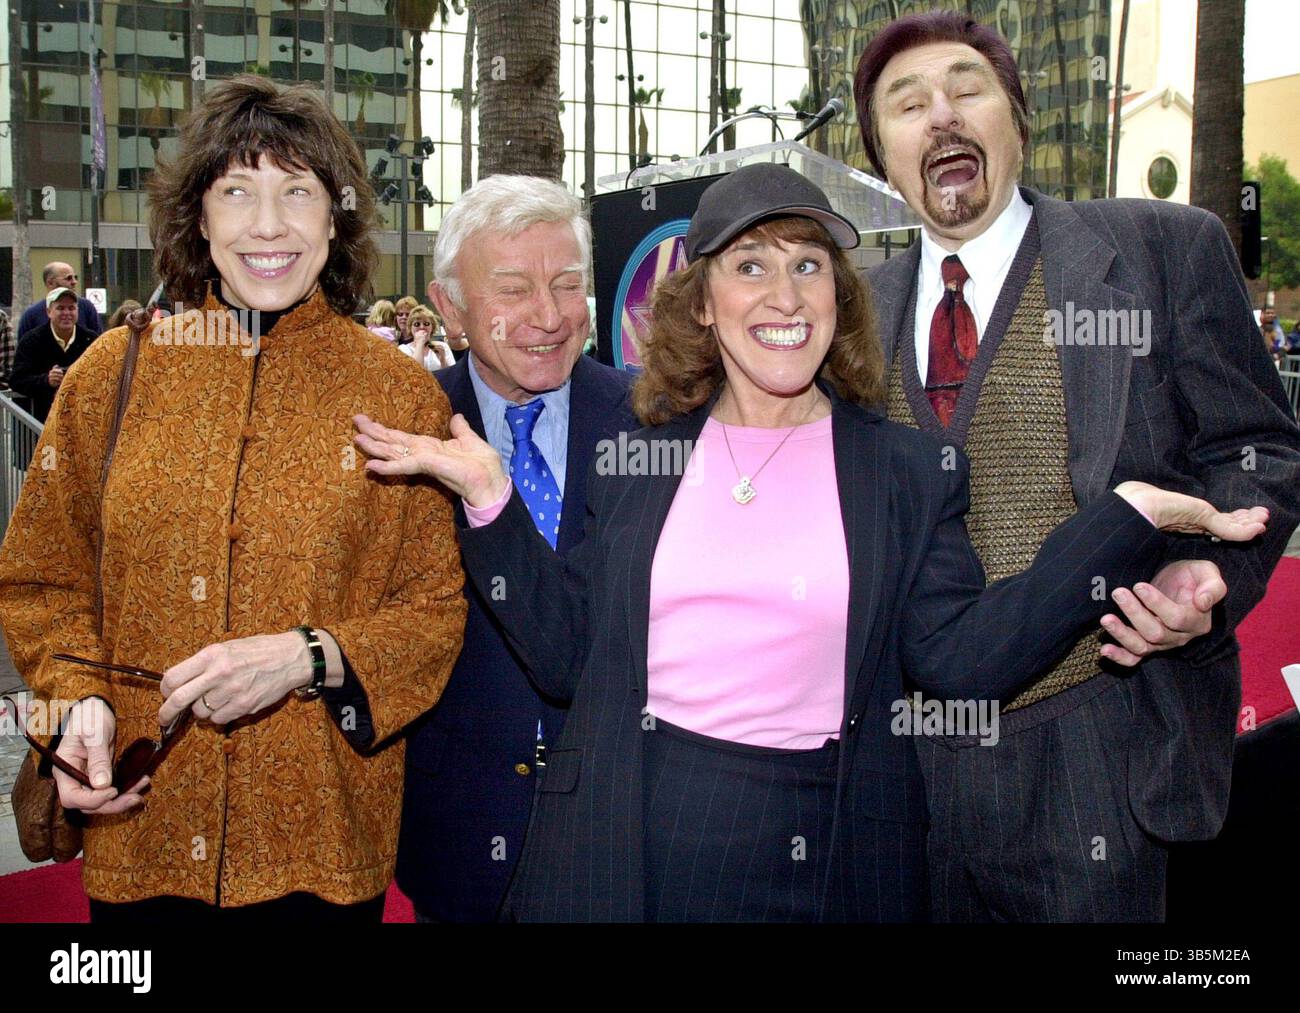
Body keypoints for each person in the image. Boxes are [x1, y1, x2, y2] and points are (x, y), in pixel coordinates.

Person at [356, 163, 1266, 922]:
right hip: (633, 849)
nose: (782, 295)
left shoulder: (908, 470)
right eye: (748, 266)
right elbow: (568, 657)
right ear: (703, 302)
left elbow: (961, 662)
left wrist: (1130, 514)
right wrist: (488, 497)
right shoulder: (639, 457)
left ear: (840, 293)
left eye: (807, 265)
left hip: (831, 860)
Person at [855, 11, 1300, 921]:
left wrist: (1204, 575)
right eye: (908, 104)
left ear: (1017, 121)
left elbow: (1258, 449)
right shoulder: (852, 308)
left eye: (967, 89)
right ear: (882, 156)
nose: (941, 115)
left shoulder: (1159, 252)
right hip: (905, 778)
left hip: (1105, 747)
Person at [0, 75, 466, 923]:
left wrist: (307, 656)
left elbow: (434, 609)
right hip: (140, 838)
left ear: (337, 214)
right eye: (236, 191)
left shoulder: (401, 395)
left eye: (298, 191)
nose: (267, 225)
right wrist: (78, 703)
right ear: (200, 217)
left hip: (323, 852)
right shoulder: (113, 375)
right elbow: (41, 581)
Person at [391, 173, 635, 923]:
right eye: (513, 289)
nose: (549, 316)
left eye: (567, 284)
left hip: (623, 839)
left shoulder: (657, 421)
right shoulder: (406, 430)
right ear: (451, 309)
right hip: (457, 838)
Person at [8, 288, 97, 422]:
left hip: (80, 421)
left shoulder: (91, 340)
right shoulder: (31, 340)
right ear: (49, 312)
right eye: (60, 308)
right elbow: (17, 380)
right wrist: (46, 380)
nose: (66, 313)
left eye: (71, 308)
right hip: (40, 423)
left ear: (77, 311)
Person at [16, 261, 102, 340]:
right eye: (68, 278)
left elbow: (99, 342)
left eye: (72, 308)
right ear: (50, 283)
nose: (74, 282)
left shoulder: (87, 307)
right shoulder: (31, 315)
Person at [399, 305, 454, 371]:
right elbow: (415, 371)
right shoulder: (403, 349)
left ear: (432, 327)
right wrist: (420, 344)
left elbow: (451, 374)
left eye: (426, 324)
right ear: (410, 328)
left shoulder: (442, 346)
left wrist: (443, 360)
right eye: (417, 324)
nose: (422, 327)